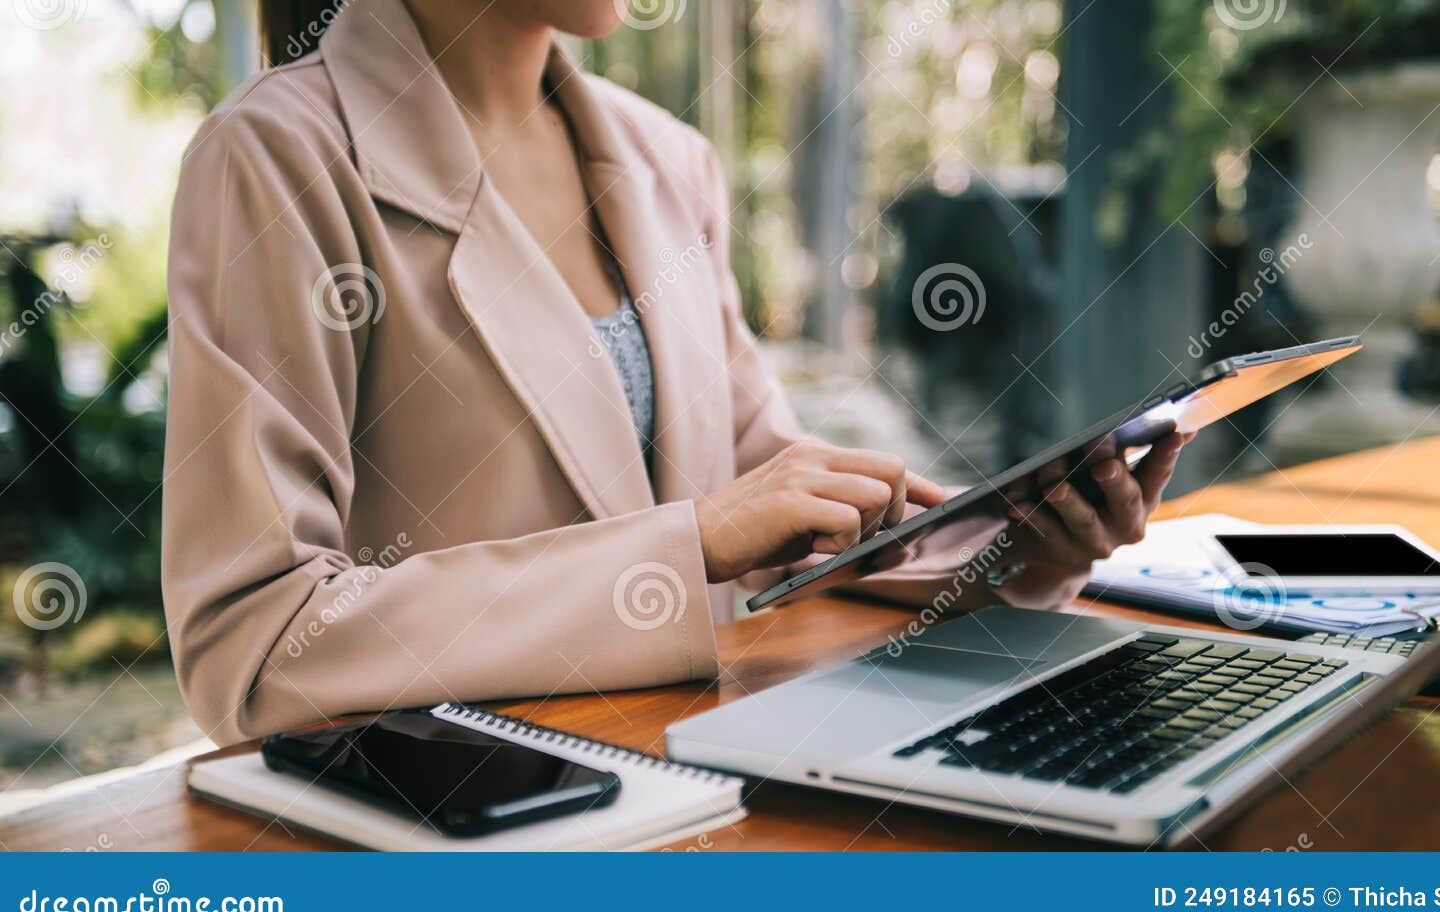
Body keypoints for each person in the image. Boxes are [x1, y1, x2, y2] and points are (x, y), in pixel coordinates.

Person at [162, 0, 1186, 744]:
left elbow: (783, 523)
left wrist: (1009, 549)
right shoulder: (276, 158)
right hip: (469, 837)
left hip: (702, 786)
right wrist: (687, 543)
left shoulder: (666, 159)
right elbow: (255, 645)